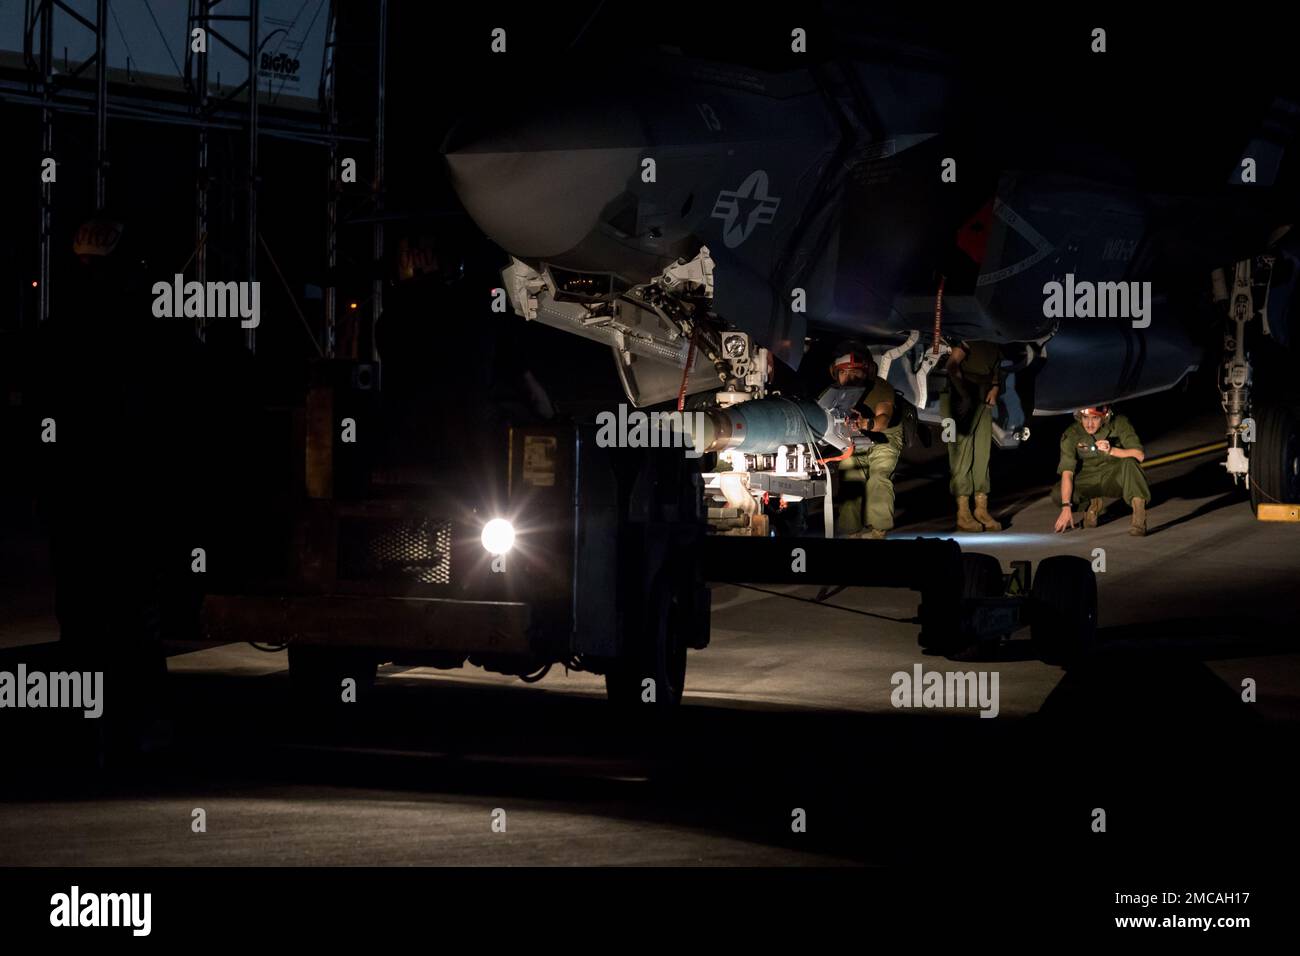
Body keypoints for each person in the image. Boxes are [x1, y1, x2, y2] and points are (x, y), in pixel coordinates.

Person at [829, 348, 905, 539]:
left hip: (884, 438)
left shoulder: (879, 388)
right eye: (844, 372)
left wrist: (867, 423)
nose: (849, 377)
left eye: (855, 372)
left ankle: (878, 530)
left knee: (878, 477)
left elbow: (883, 419)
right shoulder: (833, 392)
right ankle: (851, 531)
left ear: (866, 373)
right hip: (854, 439)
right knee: (850, 475)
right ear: (836, 374)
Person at [1051, 405, 1151, 536]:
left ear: (1104, 417)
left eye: (1095, 418)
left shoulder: (1119, 423)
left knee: (1130, 462)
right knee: (1058, 493)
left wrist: (1111, 450)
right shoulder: (1072, 433)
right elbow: (1067, 472)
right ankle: (1091, 504)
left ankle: (1139, 516)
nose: (1089, 424)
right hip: (1088, 478)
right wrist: (1066, 507)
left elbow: (1139, 455)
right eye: (1085, 418)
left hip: (1113, 477)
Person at [942, 339, 1004, 532]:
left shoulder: (995, 344)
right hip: (960, 396)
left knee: (982, 453)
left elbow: (995, 372)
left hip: (982, 396)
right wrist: (964, 394)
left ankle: (981, 509)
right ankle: (963, 513)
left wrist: (994, 389)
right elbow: (952, 365)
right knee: (961, 455)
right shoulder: (969, 339)